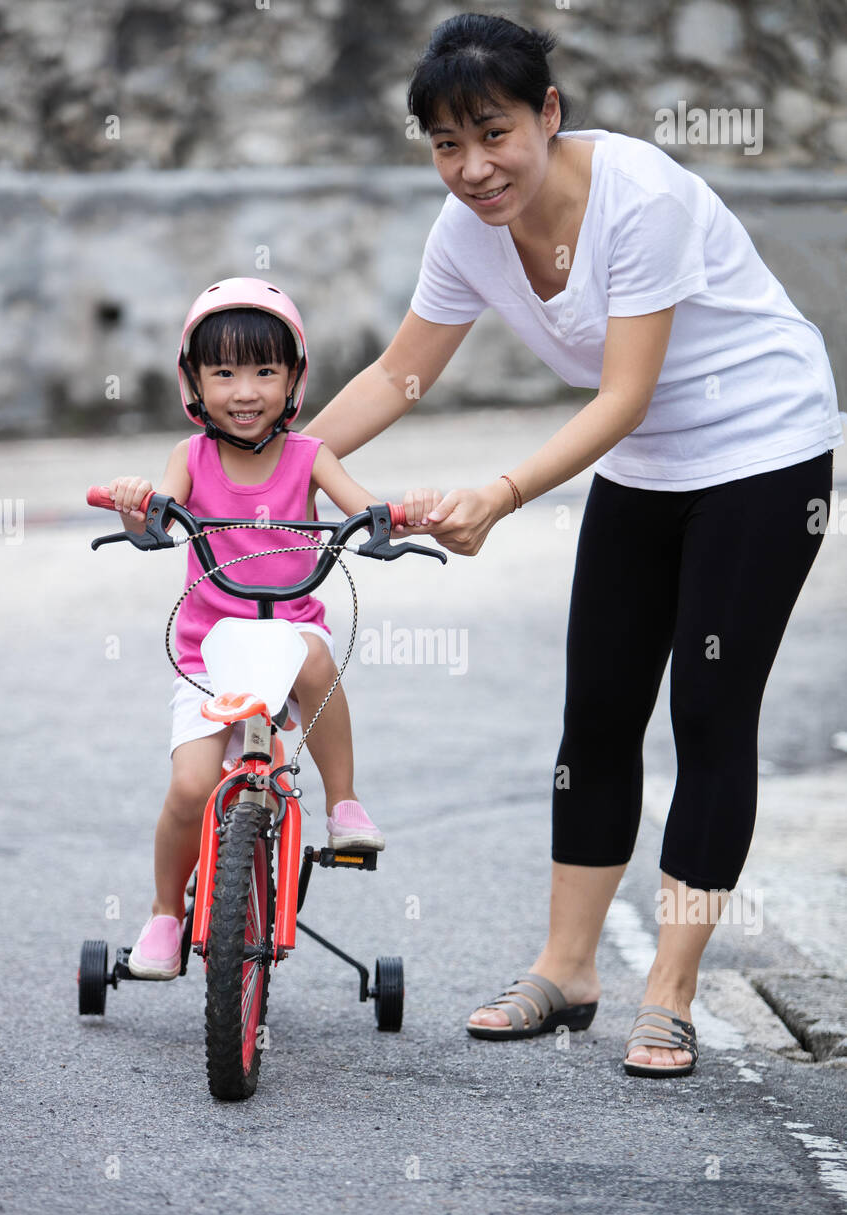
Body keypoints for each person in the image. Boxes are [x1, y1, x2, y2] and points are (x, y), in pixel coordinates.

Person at [305, 14, 843, 1076]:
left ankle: (670, 992)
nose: (472, 168)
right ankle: (567, 969)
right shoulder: (463, 231)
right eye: (445, 144)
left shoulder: (635, 197)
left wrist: (498, 493)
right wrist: (270, 455)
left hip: (761, 450)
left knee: (706, 709)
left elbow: (624, 392)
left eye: (492, 132)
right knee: (595, 710)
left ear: (547, 114)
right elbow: (398, 376)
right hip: (645, 464)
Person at [106, 277, 440, 979]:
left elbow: (361, 506)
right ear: (192, 381)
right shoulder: (190, 459)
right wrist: (140, 508)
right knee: (191, 789)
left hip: (288, 635)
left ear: (294, 378)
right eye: (223, 372)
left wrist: (398, 518)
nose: (245, 390)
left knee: (316, 655)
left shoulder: (309, 455)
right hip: (208, 654)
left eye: (265, 370)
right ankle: (167, 912)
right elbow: (159, 511)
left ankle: (343, 801)